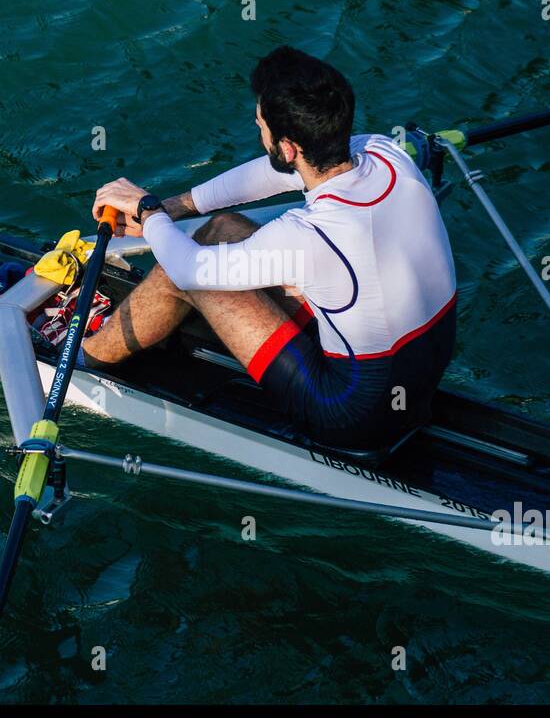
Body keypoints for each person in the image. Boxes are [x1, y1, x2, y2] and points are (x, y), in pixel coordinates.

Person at [86, 46, 457, 451]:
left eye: (259, 123)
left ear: (289, 148)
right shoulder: (384, 153)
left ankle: (83, 362)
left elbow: (188, 269)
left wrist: (148, 209)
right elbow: (274, 174)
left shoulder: (310, 234)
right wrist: (176, 207)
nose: (255, 126)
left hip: (351, 416)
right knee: (223, 227)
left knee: (183, 278)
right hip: (421, 377)